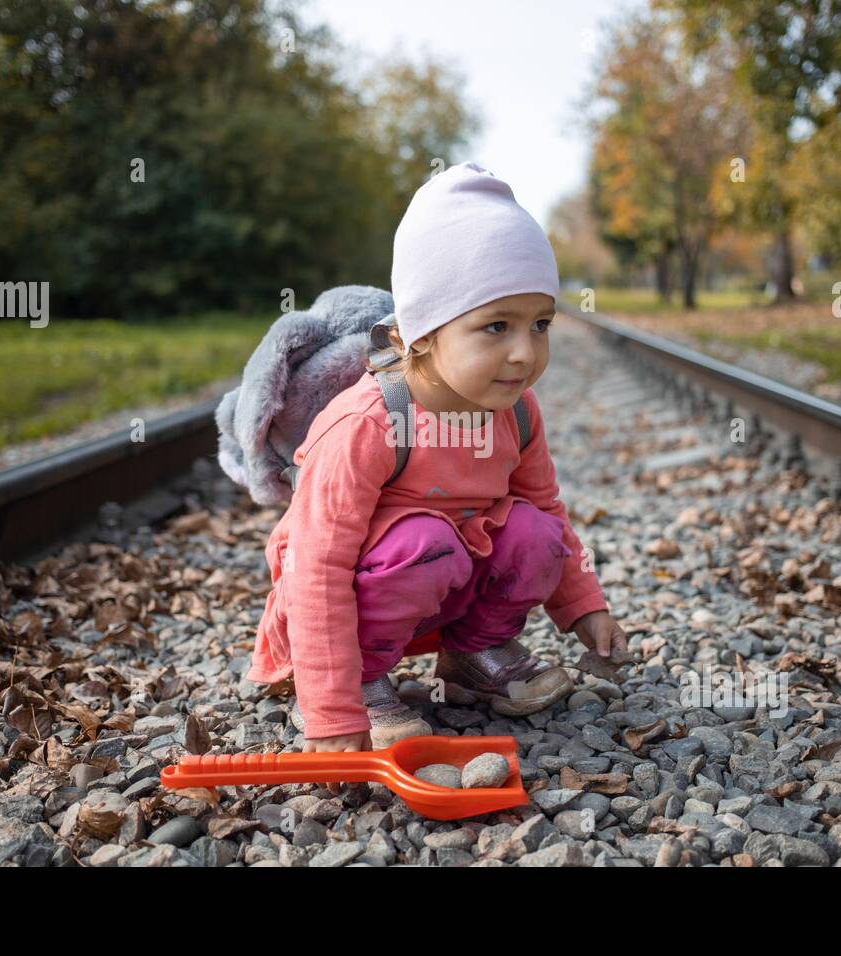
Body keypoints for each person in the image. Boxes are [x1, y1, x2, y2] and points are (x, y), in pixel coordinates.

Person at [246, 162, 628, 773]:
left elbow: (549, 510)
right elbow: (315, 569)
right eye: (495, 327)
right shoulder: (368, 424)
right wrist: (329, 710)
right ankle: (365, 686)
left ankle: (474, 657)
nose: (524, 353)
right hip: (356, 598)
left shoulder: (517, 411)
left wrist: (584, 603)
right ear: (419, 335)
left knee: (536, 532)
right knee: (425, 540)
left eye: (541, 324)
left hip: (444, 585)